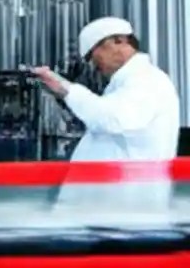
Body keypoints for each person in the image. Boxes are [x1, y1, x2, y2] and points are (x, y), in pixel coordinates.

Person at [32, 16, 180, 163]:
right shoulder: (127, 83)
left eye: (91, 54)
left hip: (132, 185)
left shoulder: (148, 80)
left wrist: (66, 89)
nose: (92, 64)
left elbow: (113, 119)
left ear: (118, 41)